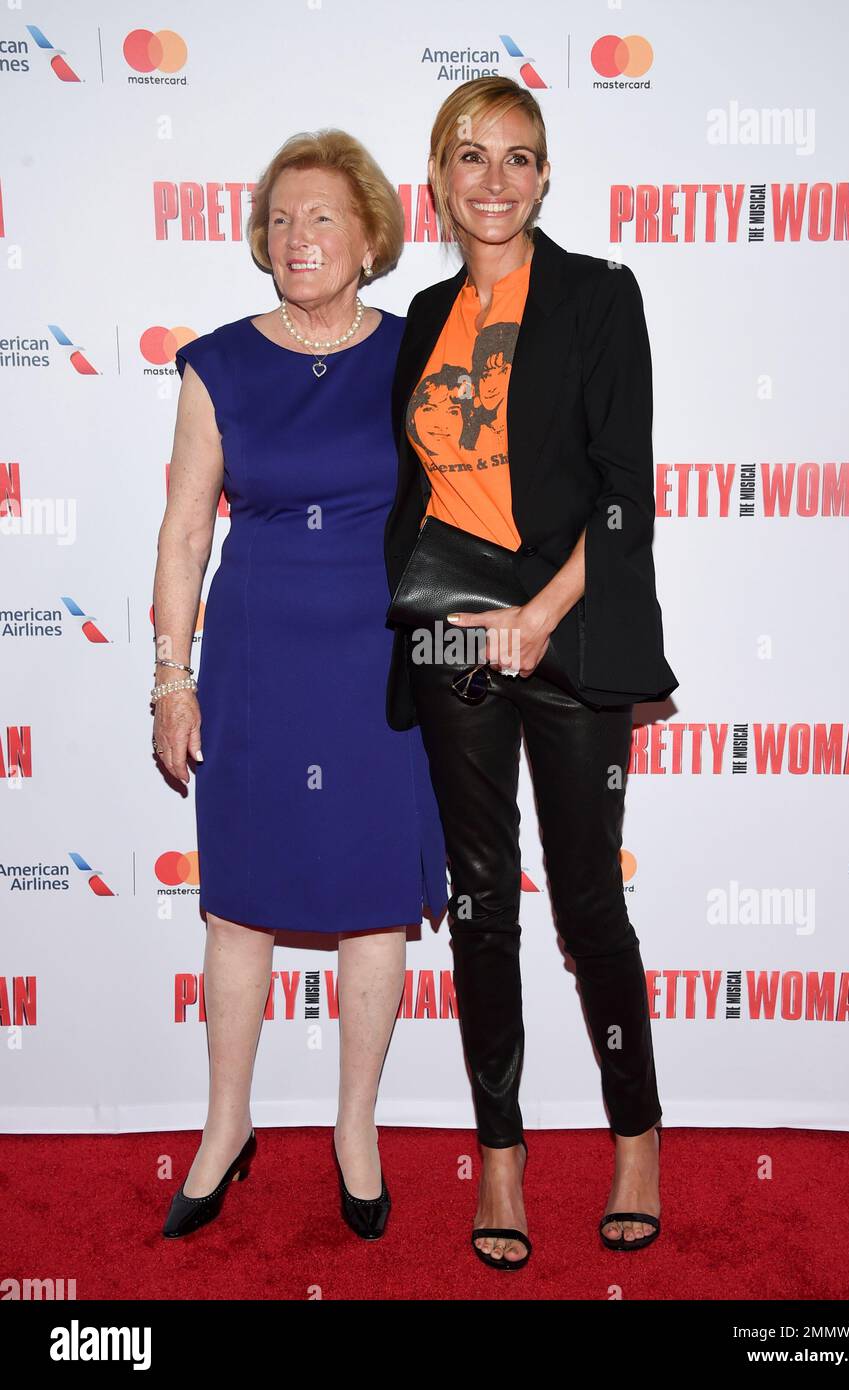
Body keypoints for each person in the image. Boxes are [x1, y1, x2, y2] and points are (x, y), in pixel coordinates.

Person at [384, 77, 678, 1268]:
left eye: (518, 156)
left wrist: (540, 613)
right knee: (480, 902)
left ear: (545, 176)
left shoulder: (599, 296)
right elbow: (411, 484)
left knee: (587, 903)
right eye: (470, 156)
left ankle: (635, 1135)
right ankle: (497, 1154)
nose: (494, 179)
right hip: (449, 632)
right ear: (439, 180)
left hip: (563, 629)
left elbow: (622, 485)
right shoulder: (420, 314)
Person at [152, 129, 447, 1241]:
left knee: (376, 905)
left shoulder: (419, 348)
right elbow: (184, 534)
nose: (298, 237)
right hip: (257, 663)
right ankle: (224, 1128)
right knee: (239, 905)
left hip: (379, 663)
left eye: (323, 216)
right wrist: (170, 680)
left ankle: (354, 1131)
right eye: (281, 218)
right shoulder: (216, 363)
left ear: (371, 234)